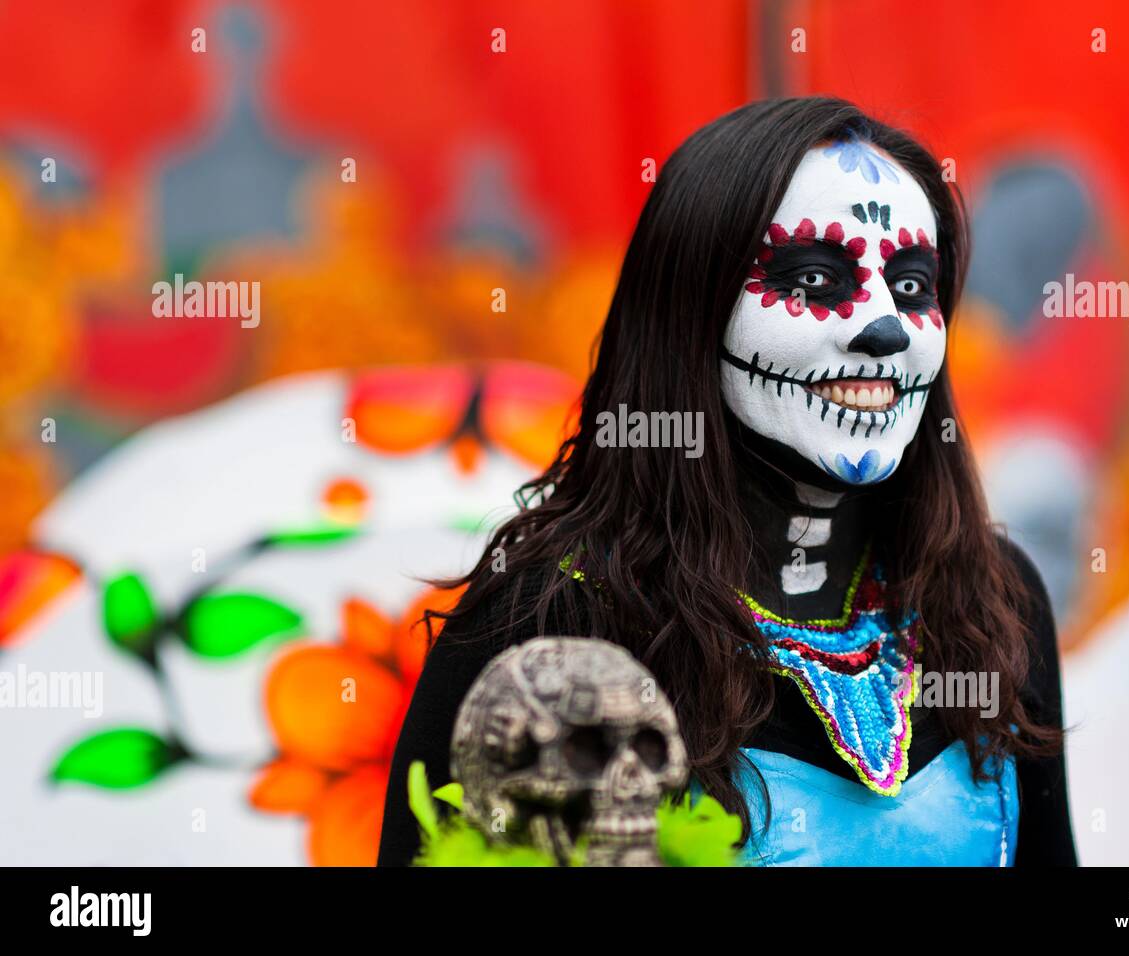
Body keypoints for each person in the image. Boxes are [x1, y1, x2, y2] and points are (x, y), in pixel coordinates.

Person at [377, 96, 1076, 866]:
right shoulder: (554, 624)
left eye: (912, 287)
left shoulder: (991, 601)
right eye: (815, 278)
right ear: (691, 311)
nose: (885, 329)